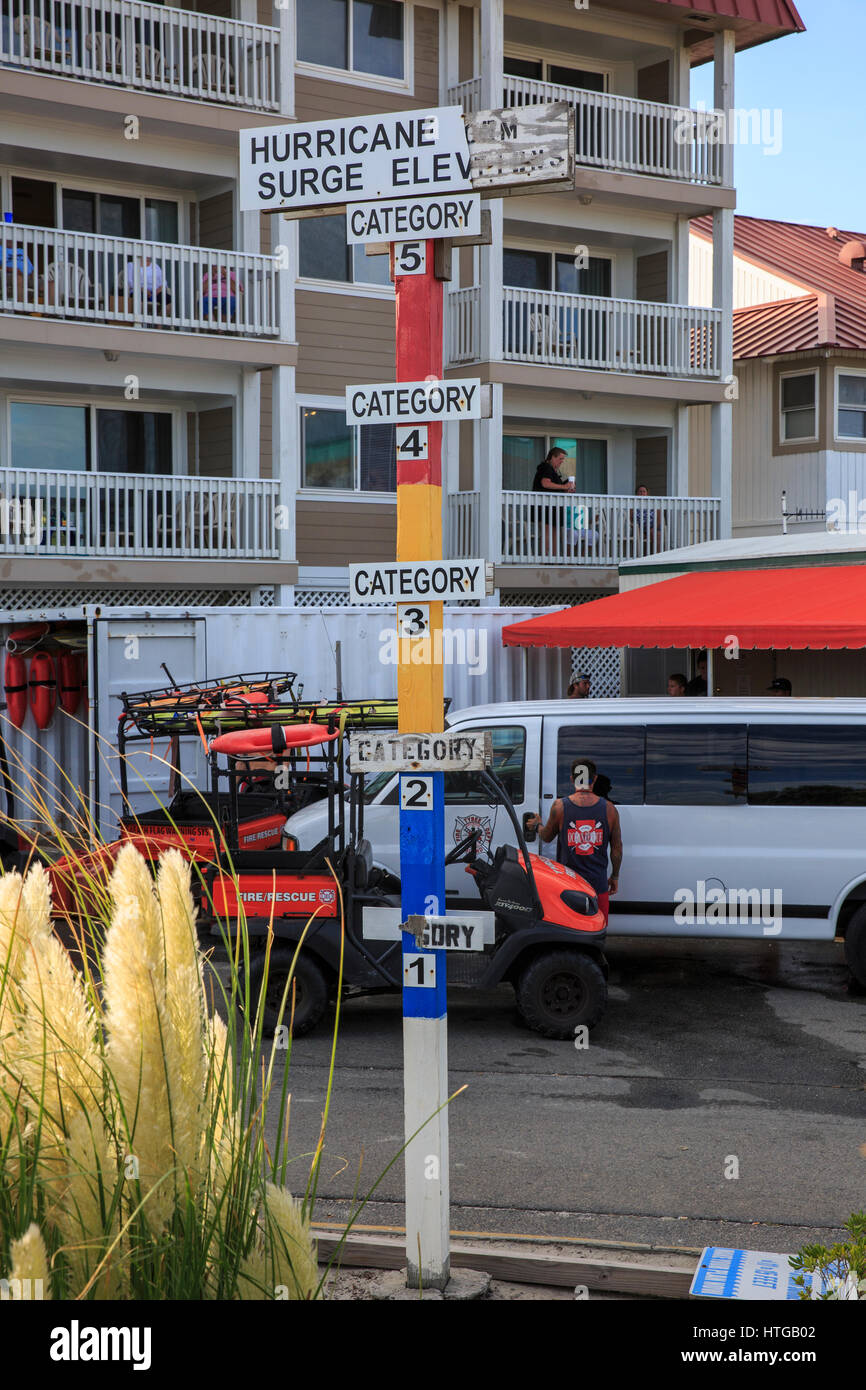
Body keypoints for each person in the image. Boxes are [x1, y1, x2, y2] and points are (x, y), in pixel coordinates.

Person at [527, 756, 622, 925]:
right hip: (598, 886)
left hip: (569, 886)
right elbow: (616, 848)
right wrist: (614, 876)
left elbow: (546, 836)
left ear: (572, 779)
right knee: (598, 929)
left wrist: (537, 825)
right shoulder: (610, 809)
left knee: (571, 932)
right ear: (595, 779)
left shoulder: (559, 806)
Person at [533, 447, 574, 553]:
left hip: (553, 509)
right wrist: (564, 487)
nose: (562, 461)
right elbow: (545, 483)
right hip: (545, 508)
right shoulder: (546, 467)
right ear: (552, 457)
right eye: (560, 459)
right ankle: (547, 558)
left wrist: (566, 490)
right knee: (548, 531)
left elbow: (554, 488)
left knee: (554, 532)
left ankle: (553, 558)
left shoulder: (553, 471)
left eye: (563, 459)